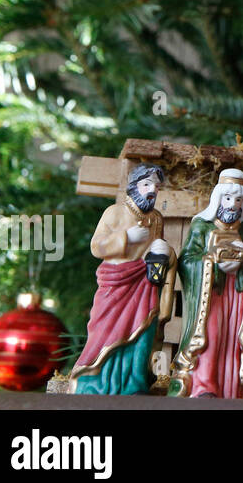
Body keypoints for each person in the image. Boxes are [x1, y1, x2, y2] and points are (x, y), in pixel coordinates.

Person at [69, 163, 175, 395]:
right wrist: (126, 237)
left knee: (143, 330)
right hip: (116, 283)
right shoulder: (114, 212)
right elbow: (97, 246)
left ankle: (134, 383)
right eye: (146, 185)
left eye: (156, 188)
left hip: (144, 284)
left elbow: (157, 251)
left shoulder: (156, 218)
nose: (151, 191)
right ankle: (92, 382)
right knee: (105, 330)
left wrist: (162, 251)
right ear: (134, 186)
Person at [169, 170, 243, 398]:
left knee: (232, 339)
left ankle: (232, 388)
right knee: (211, 335)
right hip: (210, 296)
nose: (232, 205)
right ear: (218, 199)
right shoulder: (202, 226)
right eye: (228, 199)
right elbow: (187, 260)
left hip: (238, 297)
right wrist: (210, 263)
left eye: (238, 200)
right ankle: (204, 386)